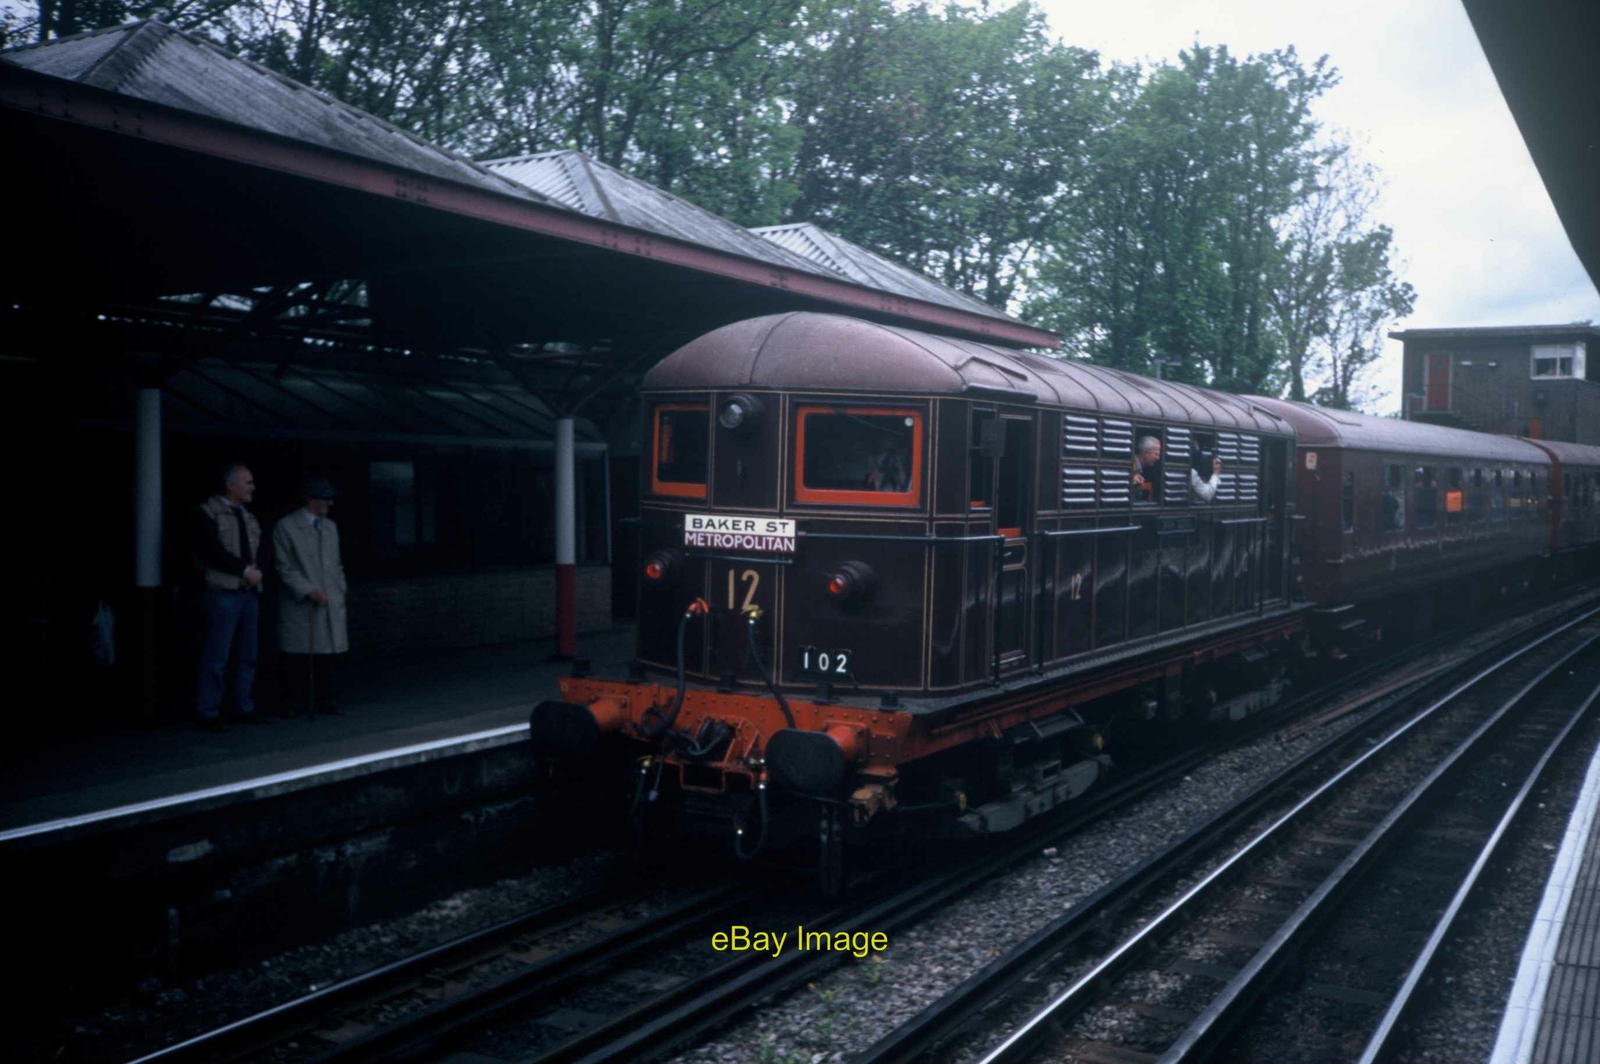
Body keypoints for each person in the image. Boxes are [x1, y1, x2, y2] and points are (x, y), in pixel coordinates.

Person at [193, 464, 265, 730]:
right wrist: (243, 570)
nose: (252, 487)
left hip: (249, 593)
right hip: (223, 592)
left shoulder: (249, 517)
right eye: (247, 482)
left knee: (248, 654)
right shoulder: (207, 513)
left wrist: (256, 572)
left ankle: (242, 707)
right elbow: (210, 550)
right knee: (217, 654)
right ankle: (209, 711)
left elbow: (260, 549)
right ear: (230, 485)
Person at [273, 476, 349, 716]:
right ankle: (296, 702)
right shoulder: (286, 527)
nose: (330, 503)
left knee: (328, 655)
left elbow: (336, 564)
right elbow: (284, 566)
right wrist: (307, 590)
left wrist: (339, 589)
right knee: (301, 654)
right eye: (325, 498)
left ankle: (328, 700)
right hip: (303, 602)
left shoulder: (330, 527)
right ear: (309, 499)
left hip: (330, 599)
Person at [1131, 436, 1161, 500]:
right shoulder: (1130, 466)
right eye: (1156, 454)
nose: (1157, 458)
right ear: (1146, 453)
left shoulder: (1138, 467)